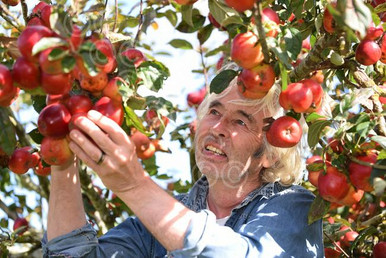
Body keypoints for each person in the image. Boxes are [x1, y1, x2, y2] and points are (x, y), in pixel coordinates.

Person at [42, 69, 324, 257]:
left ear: (271, 153)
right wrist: (62, 153)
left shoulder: (292, 207)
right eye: (214, 111)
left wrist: (135, 186)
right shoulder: (154, 226)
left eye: (240, 120)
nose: (218, 127)